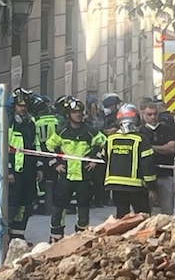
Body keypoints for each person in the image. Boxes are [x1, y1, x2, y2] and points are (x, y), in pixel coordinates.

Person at [45, 98, 106, 241]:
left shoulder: (90, 131)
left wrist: (95, 160)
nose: (78, 115)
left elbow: (104, 144)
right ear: (68, 114)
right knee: (59, 208)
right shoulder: (61, 131)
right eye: (74, 112)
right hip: (65, 176)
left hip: (84, 177)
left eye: (79, 112)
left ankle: (81, 239)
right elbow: (48, 148)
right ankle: (56, 238)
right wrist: (55, 164)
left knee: (83, 208)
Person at [103, 104, 157, 217]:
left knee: (122, 217)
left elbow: (105, 159)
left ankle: (121, 235)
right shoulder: (141, 139)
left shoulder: (110, 139)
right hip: (136, 187)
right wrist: (152, 186)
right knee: (142, 217)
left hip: (115, 185)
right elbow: (147, 166)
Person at [6, 88, 41, 241]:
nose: (23, 108)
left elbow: (36, 145)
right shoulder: (8, 122)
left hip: (29, 170)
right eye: (20, 106)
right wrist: (8, 170)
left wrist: (39, 166)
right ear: (14, 106)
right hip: (14, 170)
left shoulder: (31, 123)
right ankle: (5, 237)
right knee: (11, 204)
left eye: (25, 105)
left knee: (26, 204)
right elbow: (2, 148)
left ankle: (18, 237)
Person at [141, 100, 175, 215]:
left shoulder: (167, 129)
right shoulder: (140, 132)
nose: (153, 117)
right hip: (145, 179)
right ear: (143, 115)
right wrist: (163, 147)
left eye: (155, 114)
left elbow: (171, 148)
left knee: (167, 211)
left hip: (166, 175)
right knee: (145, 213)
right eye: (149, 114)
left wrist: (150, 147)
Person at [32, 95, 62, 214]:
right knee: (54, 178)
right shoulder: (56, 120)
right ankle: (53, 202)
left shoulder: (37, 121)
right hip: (55, 152)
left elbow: (36, 139)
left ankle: (42, 203)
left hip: (41, 151)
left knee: (41, 179)